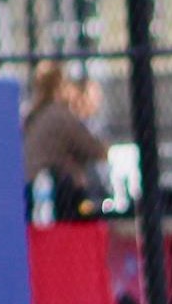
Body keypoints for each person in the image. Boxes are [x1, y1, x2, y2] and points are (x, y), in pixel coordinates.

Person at [23, 61, 111, 221]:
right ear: (60, 87)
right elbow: (94, 150)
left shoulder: (33, 116)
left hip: (32, 190)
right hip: (60, 193)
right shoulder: (60, 116)